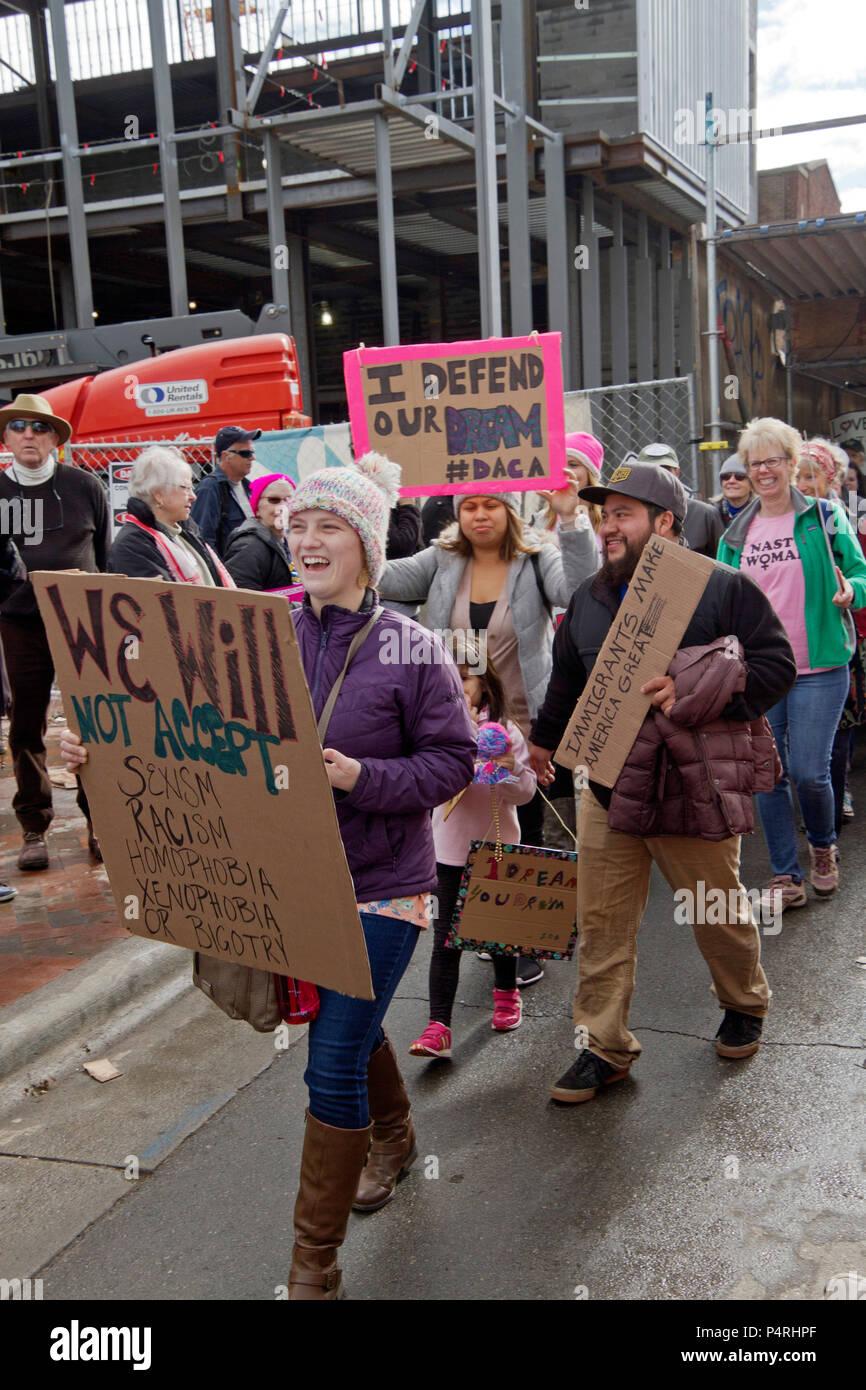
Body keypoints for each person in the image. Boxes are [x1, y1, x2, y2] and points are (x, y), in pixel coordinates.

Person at [62, 450, 475, 1300]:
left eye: (330, 527)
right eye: (299, 527)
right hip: (287, 880)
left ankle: (311, 1266)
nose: (310, 541)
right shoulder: (250, 630)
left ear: (366, 542)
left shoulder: (412, 648)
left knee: (327, 1065)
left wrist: (361, 778)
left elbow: (452, 763)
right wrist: (94, 750)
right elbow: (171, 728)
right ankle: (393, 1136)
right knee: (350, 1035)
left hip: (382, 886)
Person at [528, 461, 797, 1103]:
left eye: (622, 514)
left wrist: (699, 689)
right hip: (608, 791)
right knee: (602, 923)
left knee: (714, 908)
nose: (608, 526)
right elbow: (567, 682)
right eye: (603, 514)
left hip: (689, 785)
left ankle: (743, 1003)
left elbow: (775, 665)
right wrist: (541, 745)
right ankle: (603, 1047)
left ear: (665, 521)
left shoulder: (721, 587)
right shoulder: (589, 598)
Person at [378, 475, 598, 984]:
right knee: (461, 828)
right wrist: (364, 518)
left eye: (491, 506)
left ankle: (520, 942)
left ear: (510, 510)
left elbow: (581, 589)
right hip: (452, 722)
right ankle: (481, 923)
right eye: (470, 506)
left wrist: (571, 517)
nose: (480, 515)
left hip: (524, 718)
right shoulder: (440, 560)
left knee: (520, 826)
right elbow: (381, 577)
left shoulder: (536, 558)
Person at [717, 417, 866, 906]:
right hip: (761, 670)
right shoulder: (737, 533)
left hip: (821, 663)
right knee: (767, 773)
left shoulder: (823, 516)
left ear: (791, 462)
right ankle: (786, 875)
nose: (762, 471)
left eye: (773, 461)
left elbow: (861, 572)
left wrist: (851, 589)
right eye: (754, 463)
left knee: (807, 771)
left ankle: (822, 846)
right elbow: (720, 598)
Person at [409, 638, 536, 1057]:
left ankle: (506, 992)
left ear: (485, 683)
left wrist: (508, 768)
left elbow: (527, 795)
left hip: (497, 847)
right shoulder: (430, 727)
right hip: (445, 851)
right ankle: (438, 1025)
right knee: (445, 937)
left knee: (498, 929)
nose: (457, 684)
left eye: (465, 677)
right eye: (449, 676)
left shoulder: (506, 732)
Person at [0, 393, 110, 870]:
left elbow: (104, 559)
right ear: (5, 437)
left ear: (55, 440)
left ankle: (100, 820)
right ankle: (33, 823)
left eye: (39, 427)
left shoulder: (86, 487)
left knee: (96, 721)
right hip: (19, 622)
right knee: (26, 724)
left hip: (80, 620)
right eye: (20, 426)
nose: (29, 434)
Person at [109, 446, 234, 586]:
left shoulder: (185, 532)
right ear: (159, 495)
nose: (193, 497)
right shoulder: (132, 545)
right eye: (185, 487)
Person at [636, 441, 724, 558]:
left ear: (677, 473)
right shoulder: (629, 518)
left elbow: (722, 566)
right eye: (650, 472)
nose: (658, 477)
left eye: (665, 471)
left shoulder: (704, 516)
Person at [189, 424, 262, 556]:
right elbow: (203, 541)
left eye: (253, 452)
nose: (252, 458)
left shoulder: (249, 487)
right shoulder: (210, 489)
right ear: (226, 456)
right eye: (246, 453)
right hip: (229, 571)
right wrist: (222, 573)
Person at [223, 473, 299, 592]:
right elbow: (244, 601)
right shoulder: (248, 546)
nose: (283, 507)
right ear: (257, 508)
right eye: (274, 500)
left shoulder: (292, 540)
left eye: (290, 500)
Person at [713, 455, 754, 526]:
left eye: (739, 476)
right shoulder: (711, 513)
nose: (731, 481)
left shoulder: (761, 512)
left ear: (751, 485)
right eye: (726, 477)